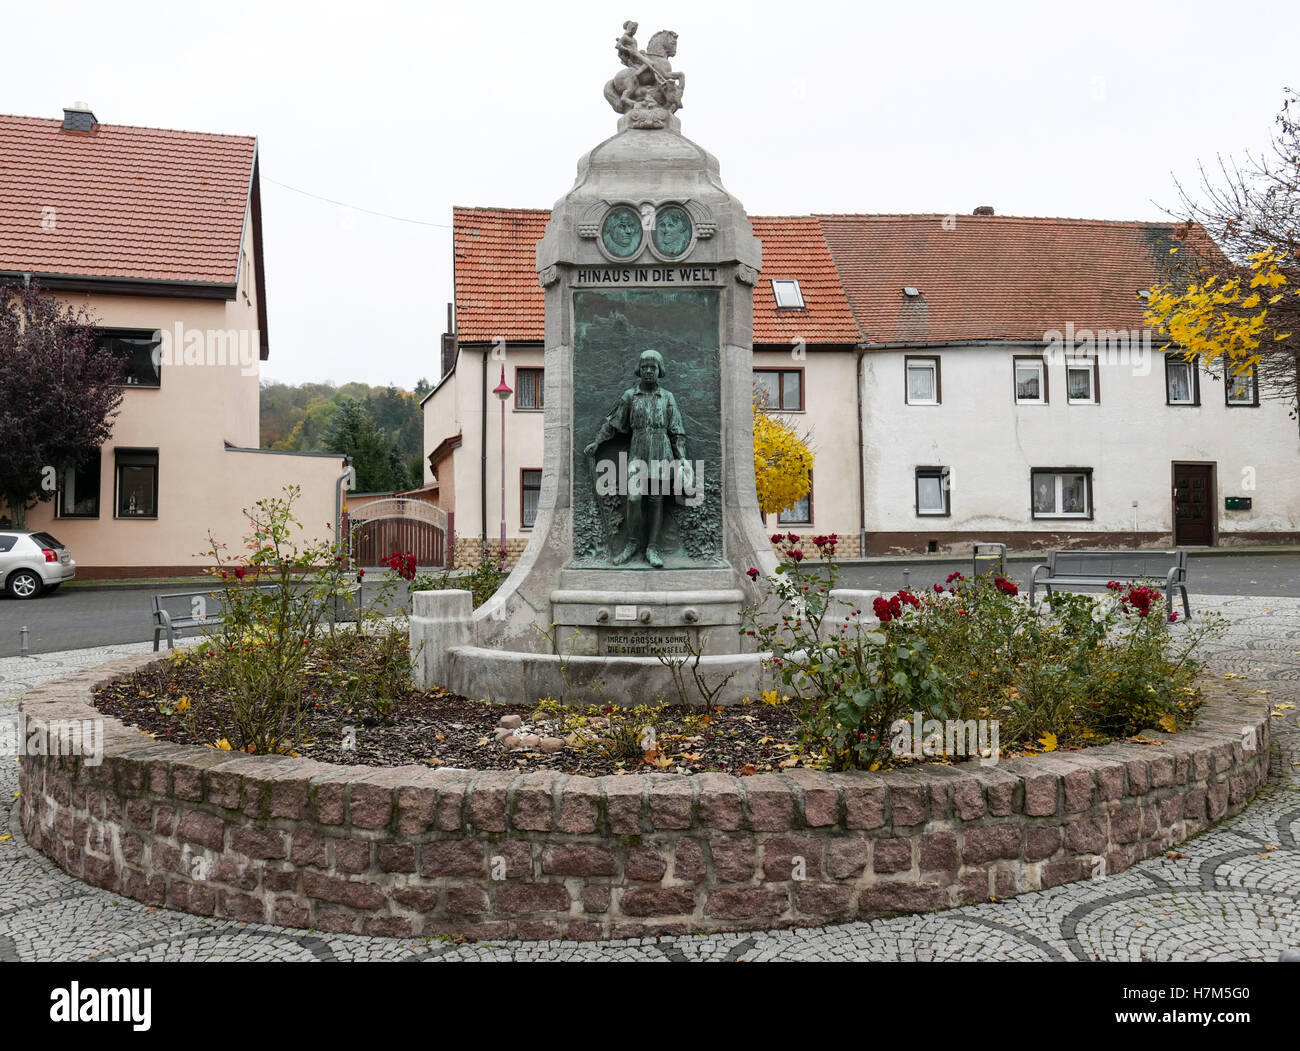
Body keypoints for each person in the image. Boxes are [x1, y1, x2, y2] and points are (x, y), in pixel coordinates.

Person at [584, 349, 687, 568]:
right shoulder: (630, 396)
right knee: (633, 498)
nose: (648, 371)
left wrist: (683, 458)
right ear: (639, 370)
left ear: (660, 370)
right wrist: (597, 442)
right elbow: (613, 423)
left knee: (656, 501)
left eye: (653, 367)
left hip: (661, 451)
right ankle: (632, 544)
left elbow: (677, 430)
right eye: (644, 367)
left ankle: (652, 548)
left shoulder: (667, 397)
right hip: (638, 450)